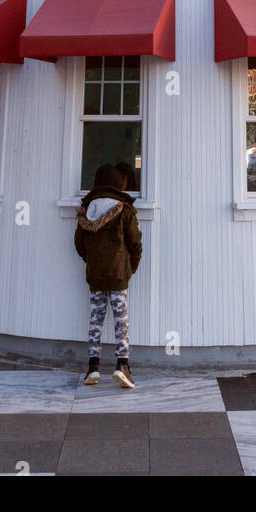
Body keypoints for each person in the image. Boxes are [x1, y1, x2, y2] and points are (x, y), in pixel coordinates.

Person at [74, 163, 142, 390]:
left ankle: (92, 368)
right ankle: (122, 366)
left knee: (96, 319)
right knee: (121, 321)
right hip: (118, 274)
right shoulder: (124, 210)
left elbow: (80, 245)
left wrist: (92, 262)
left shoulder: (87, 210)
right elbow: (135, 243)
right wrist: (130, 268)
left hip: (96, 274)